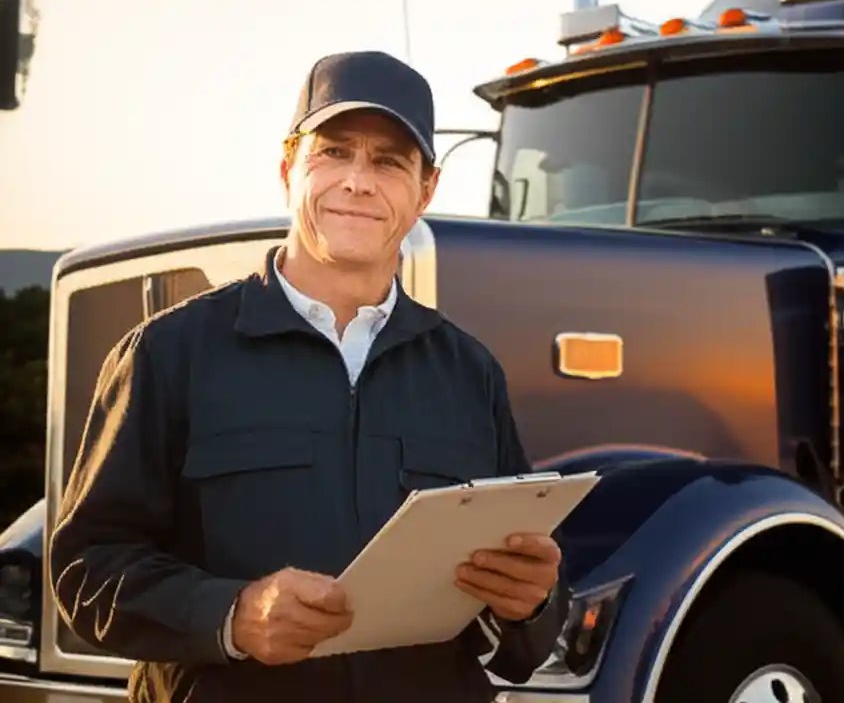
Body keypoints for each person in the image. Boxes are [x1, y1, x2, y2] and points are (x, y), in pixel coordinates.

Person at [48, 50, 568, 702]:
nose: (358, 181)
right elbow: (86, 572)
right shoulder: (168, 354)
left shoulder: (469, 372)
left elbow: (523, 637)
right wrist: (230, 616)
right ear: (289, 167)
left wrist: (533, 603)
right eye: (335, 152)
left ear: (425, 190)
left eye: (388, 161)